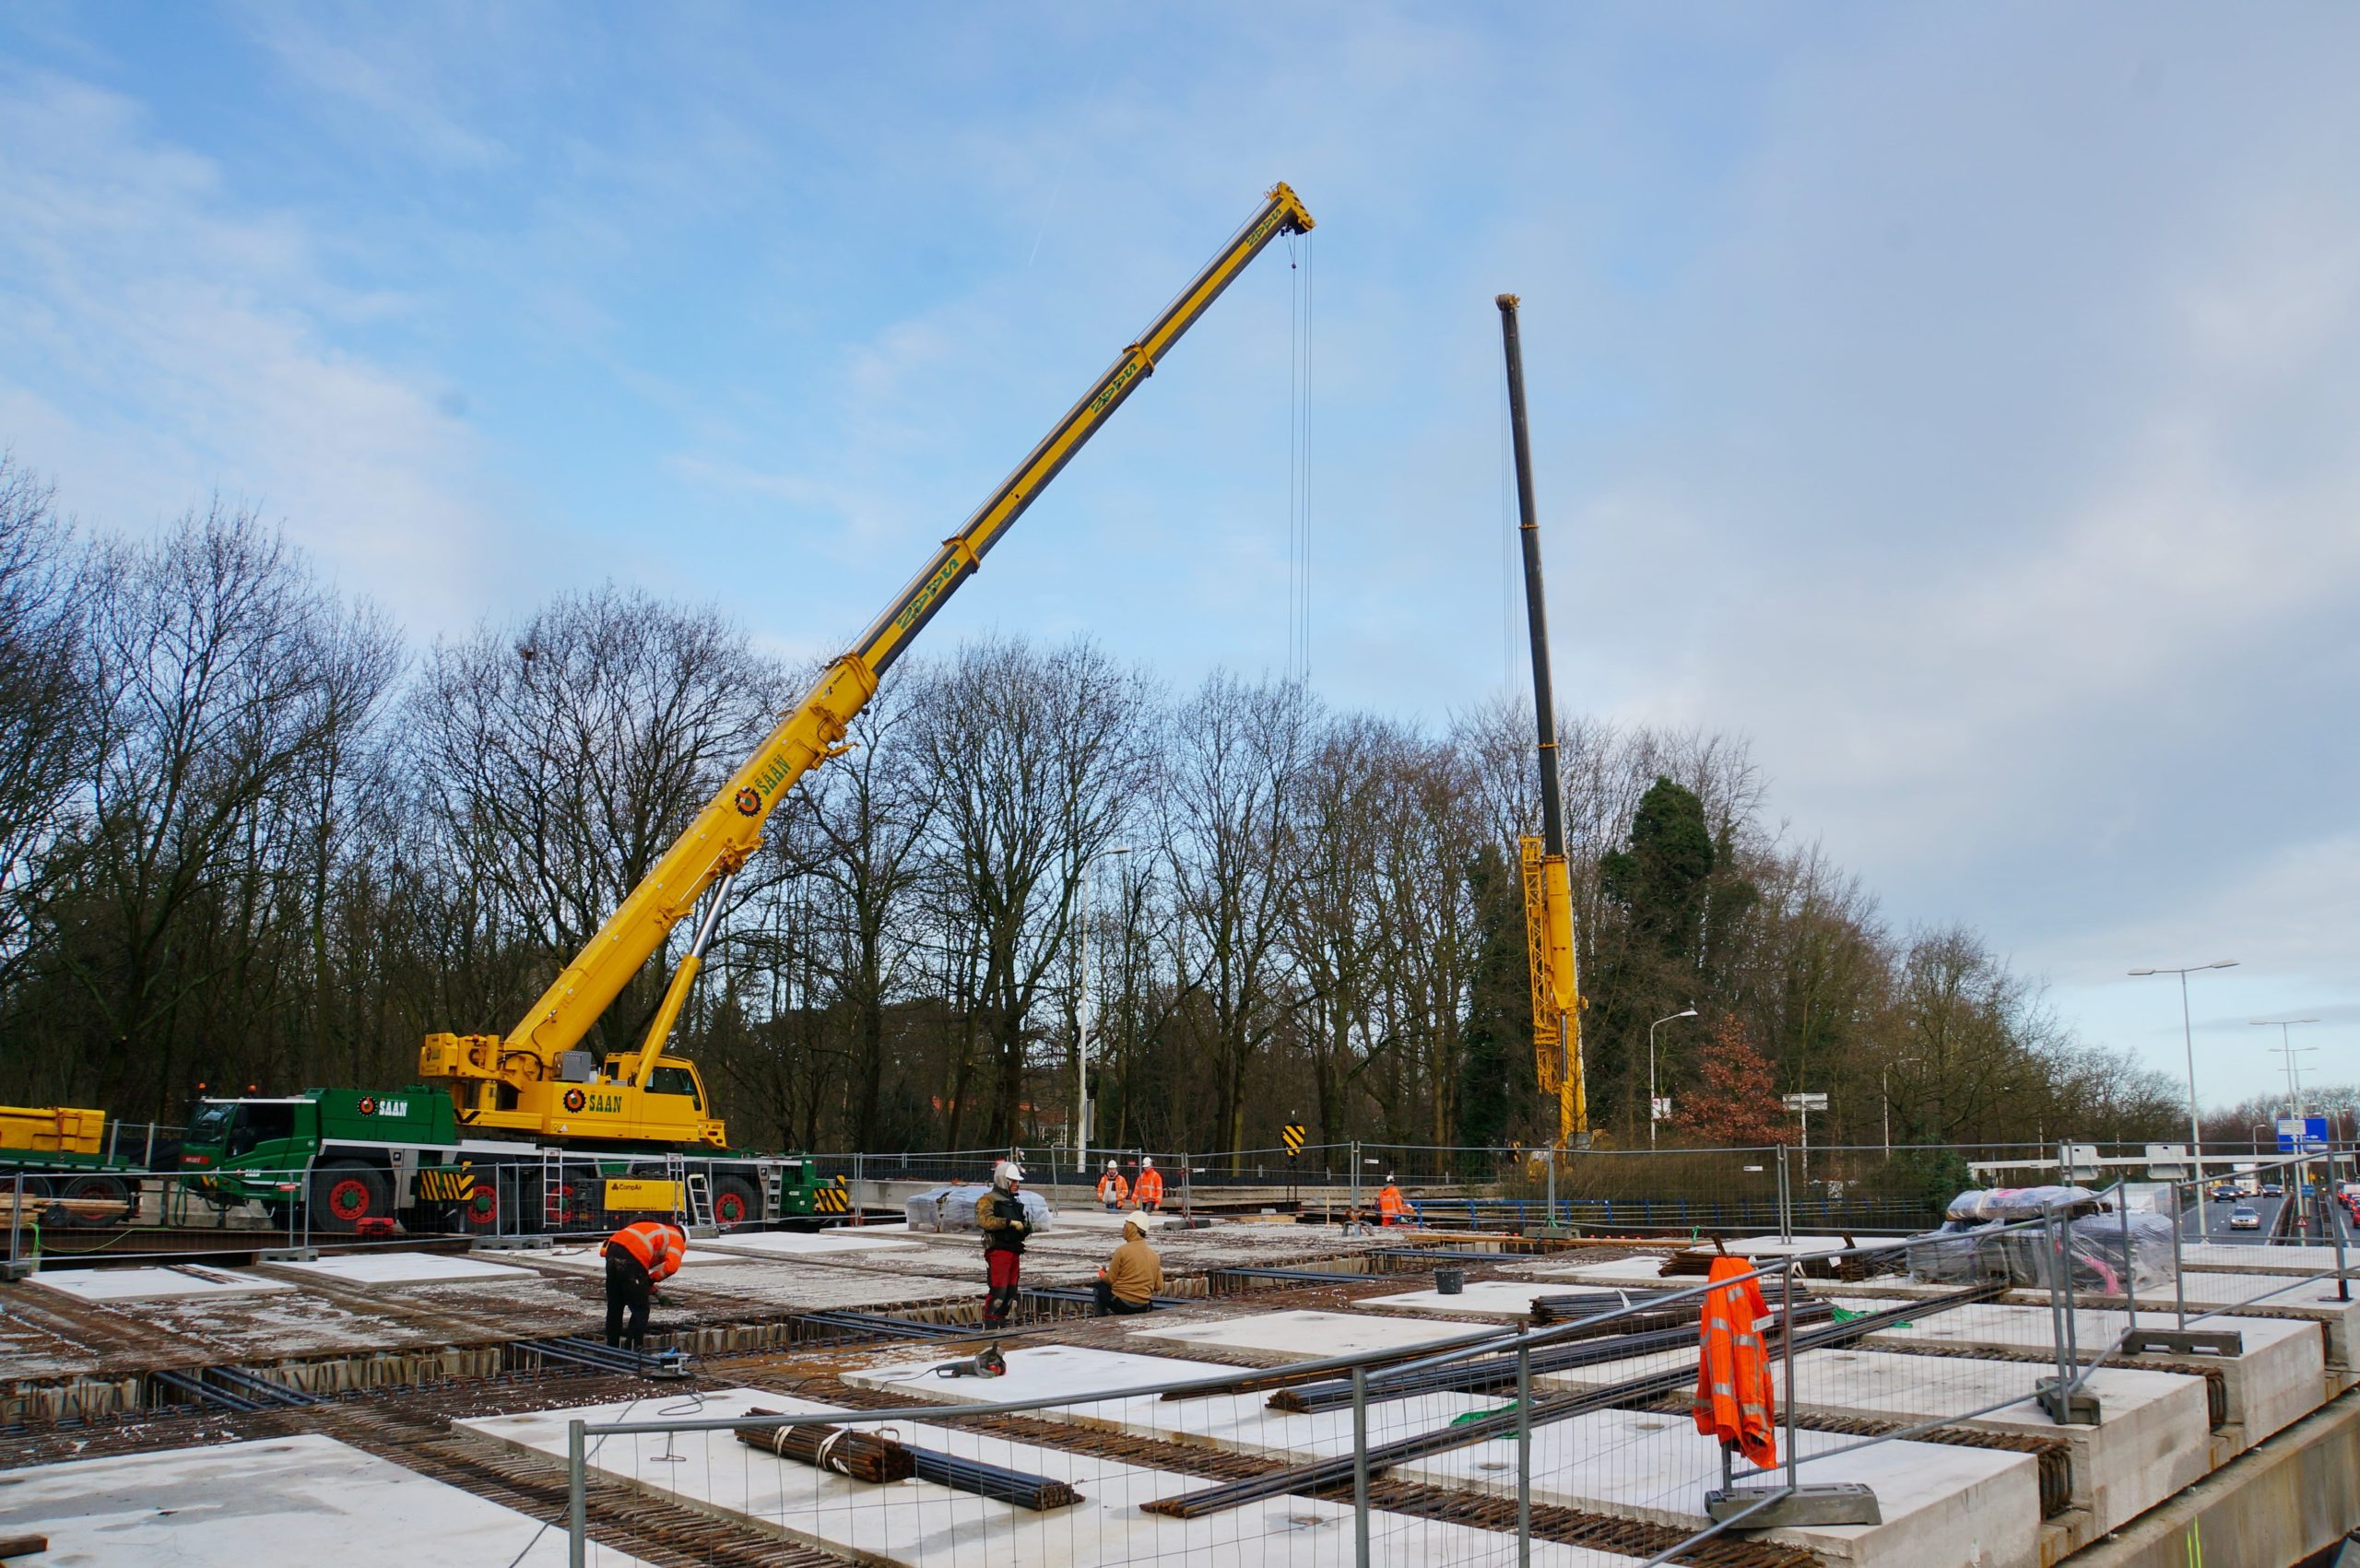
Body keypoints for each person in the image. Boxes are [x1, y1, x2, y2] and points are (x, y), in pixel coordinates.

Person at [602, 1219, 686, 1350]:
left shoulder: (654, 1229)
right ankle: (634, 1349)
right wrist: (652, 1279)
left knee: (615, 1306)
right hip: (632, 1256)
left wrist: (654, 1291)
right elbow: (671, 1267)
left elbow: (638, 1275)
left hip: (612, 1251)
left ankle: (611, 1348)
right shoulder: (676, 1237)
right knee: (640, 1309)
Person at [976, 1159, 1032, 1325]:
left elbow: (1022, 1222)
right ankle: (992, 1320)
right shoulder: (988, 1200)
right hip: (999, 1251)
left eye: (1017, 1181)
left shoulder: (1014, 1202)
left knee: (1010, 1291)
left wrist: (1027, 1228)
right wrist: (1008, 1223)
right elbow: (984, 1221)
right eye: (1013, 1181)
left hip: (1013, 1249)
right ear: (1004, 1181)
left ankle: (1000, 1319)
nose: (1017, 1185)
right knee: (999, 1290)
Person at [1093, 1212, 1162, 1315]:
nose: (1123, 1229)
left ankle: (1102, 1319)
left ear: (1132, 1229)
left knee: (1100, 1287)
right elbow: (1159, 1286)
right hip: (1143, 1306)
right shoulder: (1154, 1256)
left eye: (1125, 1226)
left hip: (1122, 1304)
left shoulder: (1121, 1251)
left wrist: (1102, 1274)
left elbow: (1110, 1279)